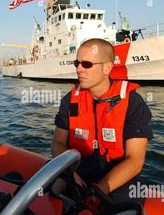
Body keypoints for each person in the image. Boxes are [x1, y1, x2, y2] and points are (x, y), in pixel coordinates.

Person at [51, 38, 152, 206]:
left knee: (119, 213)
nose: (79, 69)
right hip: (77, 170)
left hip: (116, 175)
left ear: (107, 67)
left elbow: (134, 160)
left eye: (87, 64)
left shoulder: (131, 102)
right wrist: (70, 172)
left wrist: (99, 189)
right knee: (49, 198)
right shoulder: (69, 101)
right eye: (77, 63)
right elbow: (58, 142)